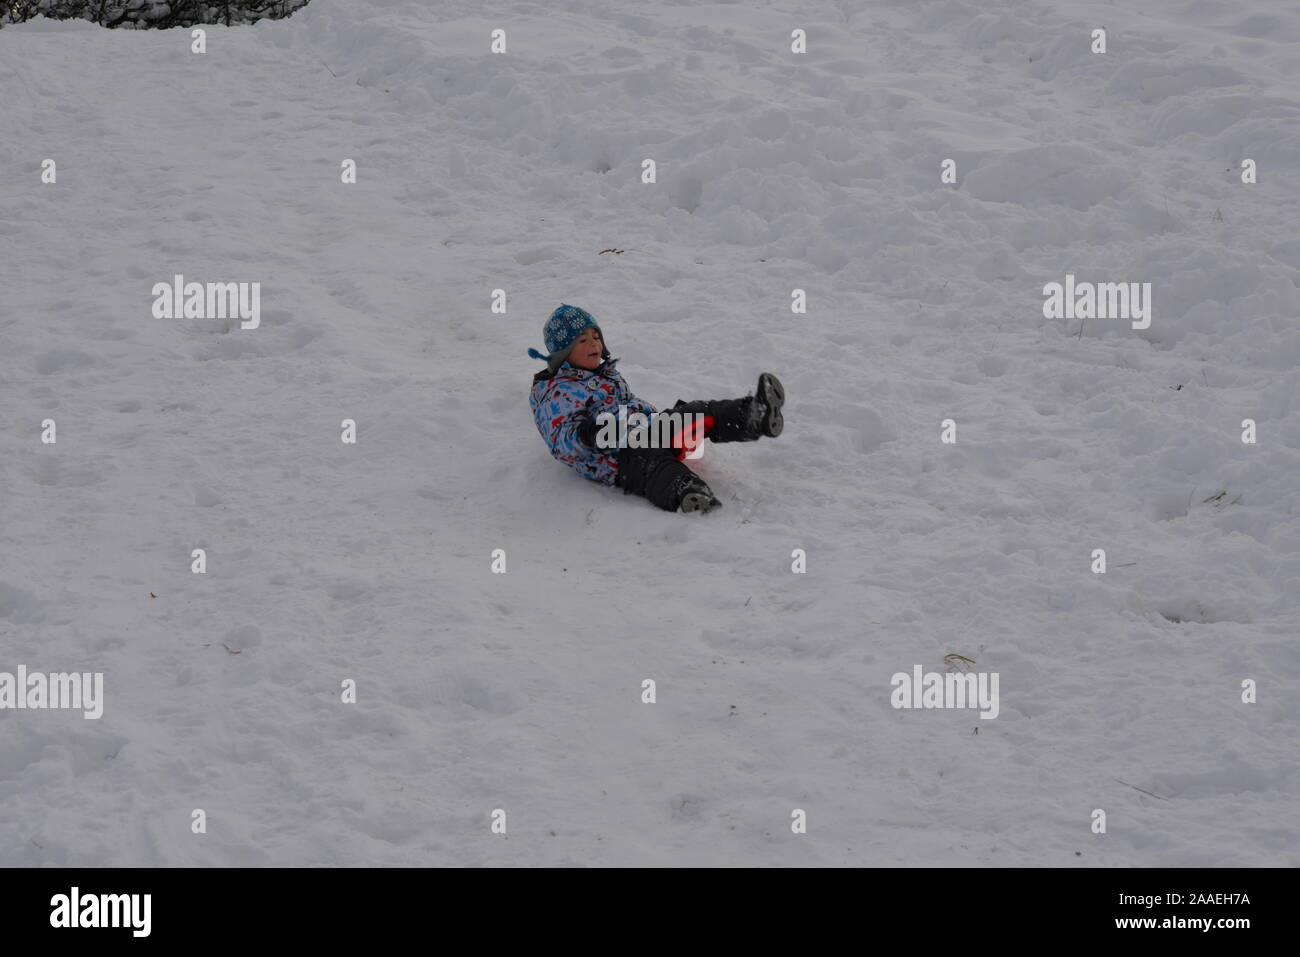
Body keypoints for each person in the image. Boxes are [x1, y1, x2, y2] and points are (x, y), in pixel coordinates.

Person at [528, 304, 784, 513]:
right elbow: (561, 439)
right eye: (582, 340)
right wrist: (590, 434)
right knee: (650, 461)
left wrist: (653, 416)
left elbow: (629, 401)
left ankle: (752, 415)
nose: (594, 345)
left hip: (646, 429)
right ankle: (684, 489)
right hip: (614, 458)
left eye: (596, 337)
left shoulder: (606, 374)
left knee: (694, 412)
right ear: (563, 353)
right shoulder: (557, 391)